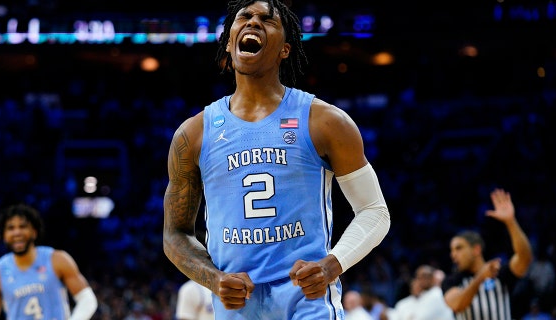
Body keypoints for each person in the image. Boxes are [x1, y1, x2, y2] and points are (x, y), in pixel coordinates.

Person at [162, 0, 391, 318]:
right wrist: (214, 280)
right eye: (244, 17)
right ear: (229, 42)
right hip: (236, 308)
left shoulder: (325, 121)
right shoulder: (193, 134)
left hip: (307, 304)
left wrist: (331, 265)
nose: (253, 22)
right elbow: (175, 234)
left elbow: (375, 212)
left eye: (267, 19)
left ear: (285, 49)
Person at [0, 203, 98, 320]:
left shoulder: (57, 259)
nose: (17, 233)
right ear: (4, 235)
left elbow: (87, 300)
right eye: (10, 228)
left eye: (23, 226)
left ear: (34, 232)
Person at [442, 188, 533, 320]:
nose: (453, 254)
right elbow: (457, 305)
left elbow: (525, 258)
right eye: (452, 250)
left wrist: (510, 222)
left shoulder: (500, 273)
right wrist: (480, 278)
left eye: (459, 248)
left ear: (476, 249)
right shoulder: (452, 281)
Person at [386, 265, 454, 320]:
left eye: (425, 277)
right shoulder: (422, 296)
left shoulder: (437, 293)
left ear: (432, 278)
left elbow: (420, 318)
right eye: (419, 277)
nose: (421, 280)